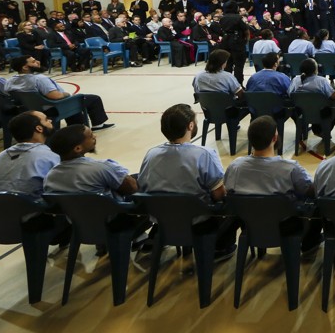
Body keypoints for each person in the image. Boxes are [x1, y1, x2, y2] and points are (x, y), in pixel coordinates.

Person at [138, 104, 237, 257]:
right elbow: (219, 195)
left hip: (163, 220)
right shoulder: (204, 154)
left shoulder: (151, 154)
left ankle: (158, 236)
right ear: (190, 125)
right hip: (198, 223)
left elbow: (143, 186)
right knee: (235, 208)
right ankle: (220, 247)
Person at [6, 55, 113, 130]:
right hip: (51, 107)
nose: (37, 62)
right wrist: (66, 94)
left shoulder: (11, 80)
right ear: (25, 67)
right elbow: (55, 96)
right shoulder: (39, 79)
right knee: (91, 99)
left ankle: (76, 126)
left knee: (72, 102)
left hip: (29, 108)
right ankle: (96, 125)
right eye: (33, 62)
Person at [224, 116, 314, 201]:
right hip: (284, 216)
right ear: (274, 138)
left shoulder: (235, 167)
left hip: (243, 216)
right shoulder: (291, 168)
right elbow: (310, 191)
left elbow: (226, 190)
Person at [44, 124, 138, 199]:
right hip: (115, 217)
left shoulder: (50, 177)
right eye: (91, 136)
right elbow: (132, 188)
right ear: (78, 148)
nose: (95, 136)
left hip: (75, 219)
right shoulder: (102, 167)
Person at [0, 110, 58, 198]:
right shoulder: (50, 157)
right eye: (46, 120)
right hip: (31, 209)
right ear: (39, 128)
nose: (50, 121)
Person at [218, 2, 250, 84]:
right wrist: (246, 41)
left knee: (227, 65)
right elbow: (246, 30)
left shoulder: (222, 18)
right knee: (239, 65)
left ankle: (228, 84)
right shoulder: (238, 18)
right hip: (237, 42)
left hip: (225, 42)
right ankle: (238, 85)